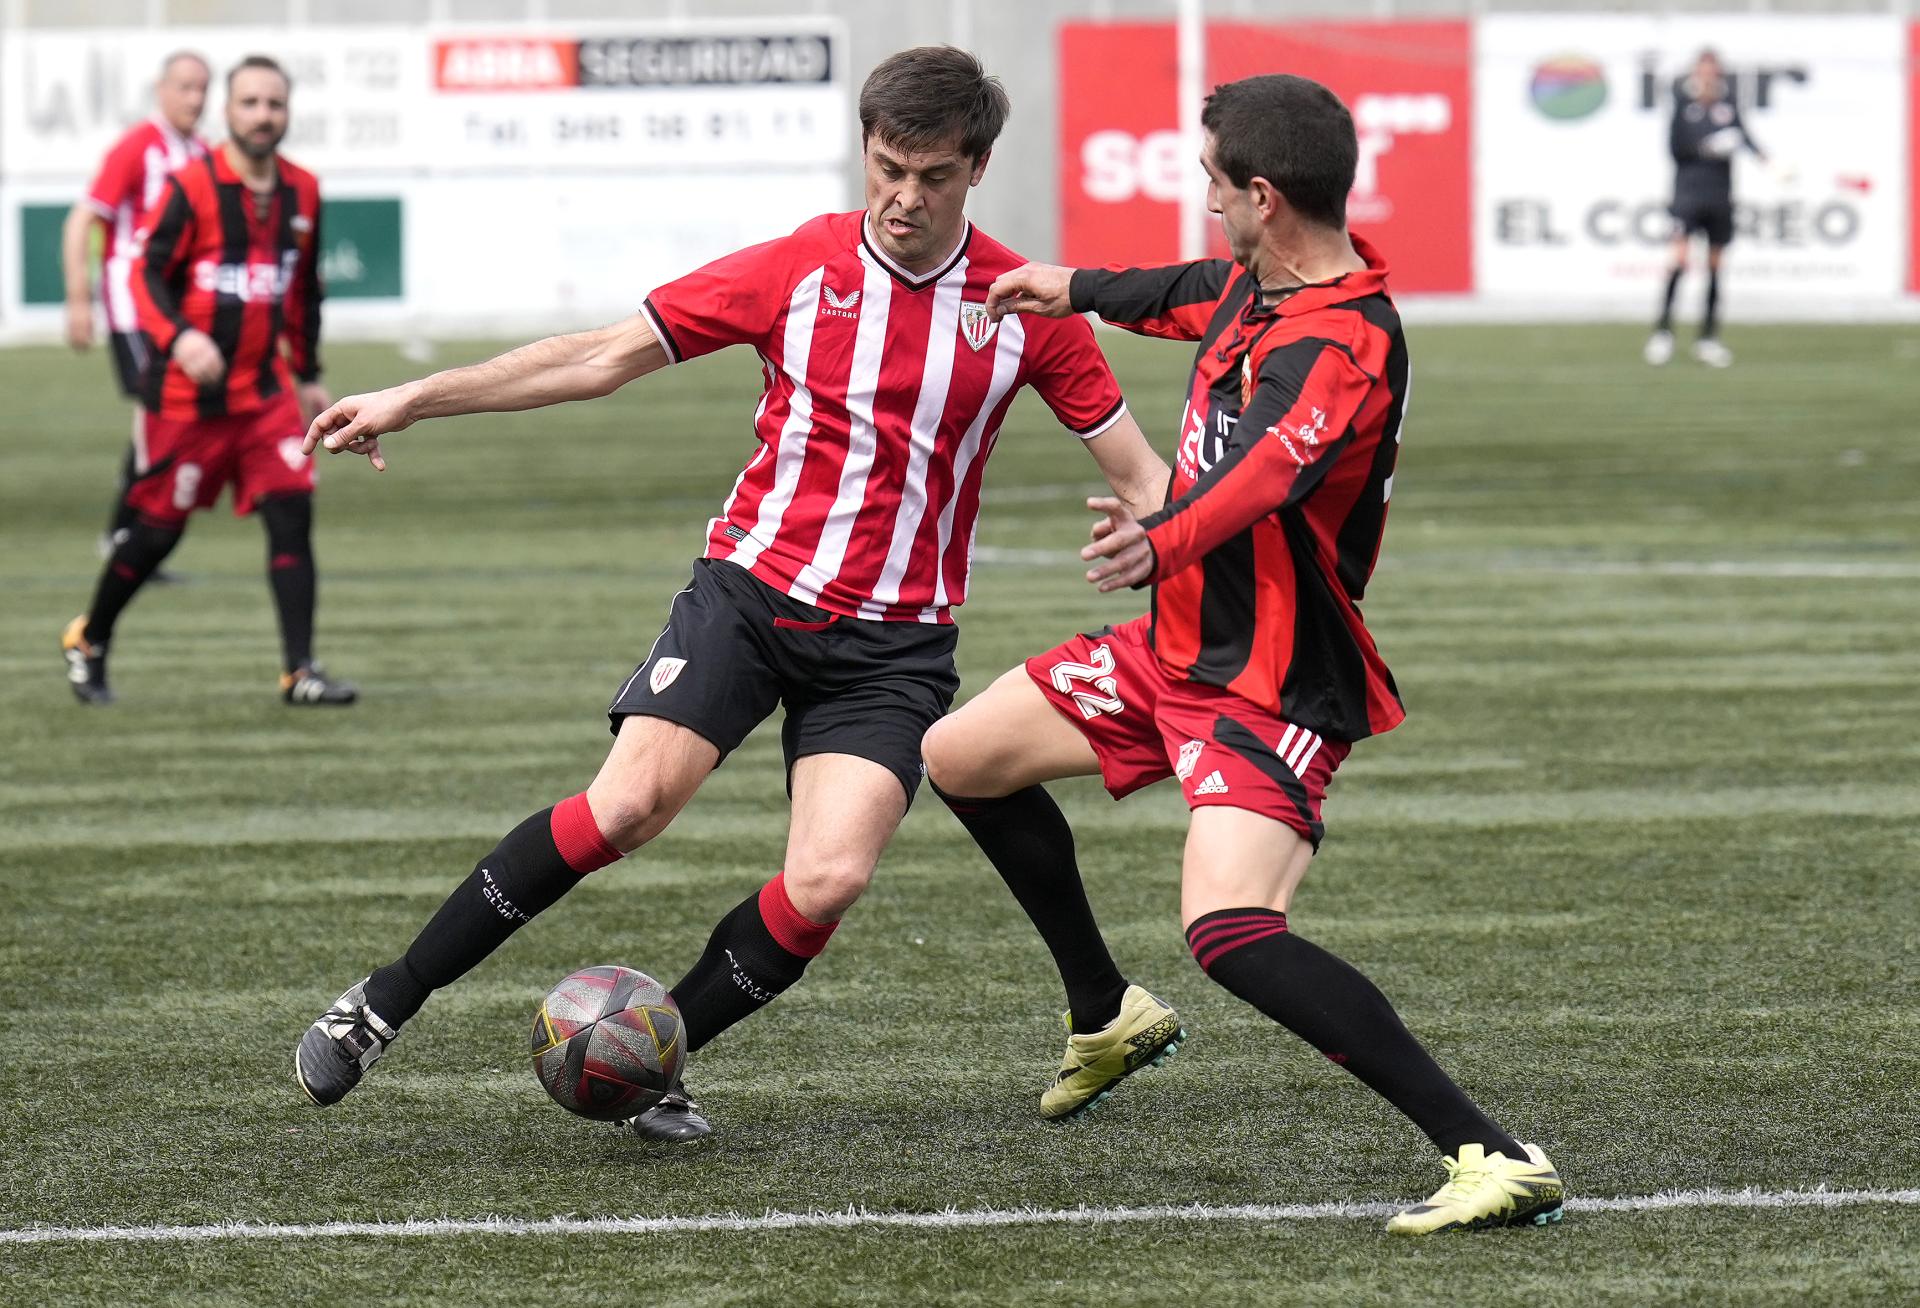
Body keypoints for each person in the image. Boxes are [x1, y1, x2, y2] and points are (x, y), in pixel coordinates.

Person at [290, 47, 1171, 1143]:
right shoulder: (798, 267)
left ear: (977, 168)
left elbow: (1146, 478)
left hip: (895, 647)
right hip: (750, 596)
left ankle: (657, 1062)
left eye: (932, 176)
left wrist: (1170, 529)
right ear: (865, 149)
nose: (903, 197)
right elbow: (602, 357)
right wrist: (416, 397)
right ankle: (384, 1000)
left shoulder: (1027, 308)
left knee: (830, 877)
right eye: (887, 167)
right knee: (627, 807)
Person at [921, 73, 1565, 1236]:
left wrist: (1155, 536)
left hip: (1271, 686)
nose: (1206, 201)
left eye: (1213, 183)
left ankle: (1491, 1151)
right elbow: (1176, 290)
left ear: (1261, 195)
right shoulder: (1256, 287)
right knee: (962, 754)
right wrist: (1063, 286)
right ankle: (1106, 1010)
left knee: (1229, 933)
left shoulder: (1344, 344)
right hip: (1170, 656)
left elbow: (1269, 470)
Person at [60, 56, 354, 708]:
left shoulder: (303, 190)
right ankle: (91, 637)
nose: (262, 116)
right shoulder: (192, 185)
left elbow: (304, 290)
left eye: (274, 104)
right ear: (229, 112)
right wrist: (180, 336)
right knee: (156, 533)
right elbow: (145, 275)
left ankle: (299, 671)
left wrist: (308, 374)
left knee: (291, 514)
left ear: (287, 113)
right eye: (249, 103)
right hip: (188, 400)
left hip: (265, 393)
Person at [62, 49, 210, 568]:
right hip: (133, 307)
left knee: (167, 418)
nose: (195, 98)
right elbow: (81, 220)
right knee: (160, 416)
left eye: (202, 88)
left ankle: (131, 537)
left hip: (172, 311)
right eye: (185, 87)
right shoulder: (137, 148)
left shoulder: (200, 151)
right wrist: (79, 299)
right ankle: (129, 537)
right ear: (161, 89)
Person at [1645, 49, 1766, 369]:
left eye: (1713, 72)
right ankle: (1663, 332)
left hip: (1719, 198)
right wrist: (1707, 147)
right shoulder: (1684, 109)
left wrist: (1765, 158)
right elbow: (1675, 150)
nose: (1708, 77)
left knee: (1715, 267)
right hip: (1688, 197)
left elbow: (1747, 139)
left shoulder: (1728, 109)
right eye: (1703, 71)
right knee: (1680, 261)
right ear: (1695, 75)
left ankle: (1708, 338)